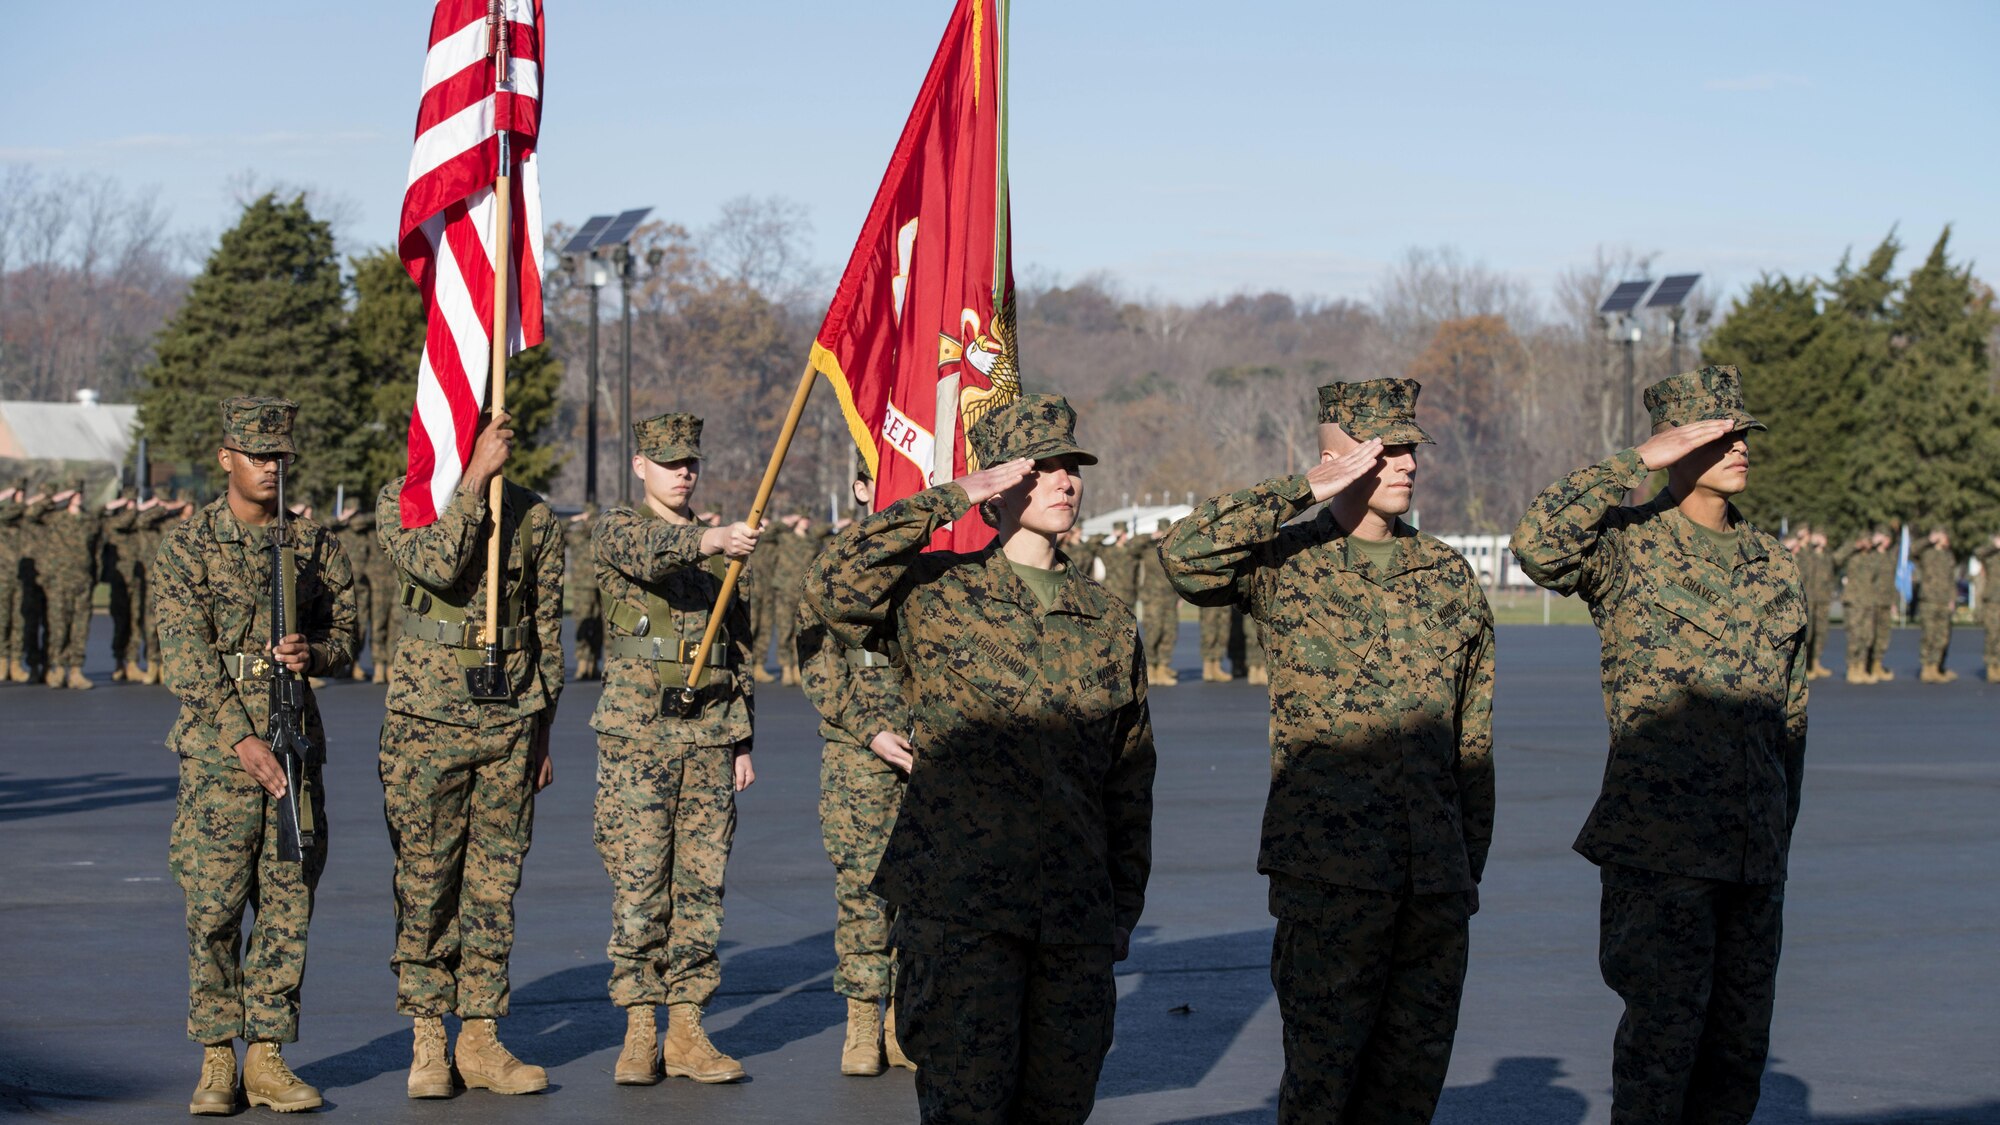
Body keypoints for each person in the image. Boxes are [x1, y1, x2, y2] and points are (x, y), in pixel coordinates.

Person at [806, 394, 1155, 1125]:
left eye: (1072, 467)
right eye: (1042, 468)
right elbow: (830, 587)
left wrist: (1124, 906)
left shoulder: (1108, 621)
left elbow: (1129, 775)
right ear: (999, 489)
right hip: (961, 912)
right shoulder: (936, 592)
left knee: (1059, 1105)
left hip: (1072, 916)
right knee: (967, 1108)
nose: (1065, 482)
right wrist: (950, 496)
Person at [1163, 378, 1495, 1124]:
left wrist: (1465, 864)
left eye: (1411, 448)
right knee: (1322, 1083)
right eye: (1384, 449)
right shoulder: (1287, 563)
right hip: (1330, 878)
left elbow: (1472, 738)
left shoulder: (1447, 575)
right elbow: (1184, 558)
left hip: (1433, 881)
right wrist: (1300, 489)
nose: (1407, 463)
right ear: (1334, 458)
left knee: (1409, 1088)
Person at [1511, 365, 1808, 1125]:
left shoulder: (1774, 563)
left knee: (1736, 1055)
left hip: (1753, 852)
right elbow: (1537, 544)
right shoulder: (1628, 546)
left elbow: (1791, 714)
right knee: (1661, 1054)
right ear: (1675, 447)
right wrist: (1632, 463)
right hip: (1663, 851)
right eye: (1718, 435)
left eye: (1743, 433)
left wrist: (1777, 829)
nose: (1740, 446)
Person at [154, 396, 357, 1115]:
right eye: (258, 455)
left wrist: (317, 651)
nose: (272, 467)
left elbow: (347, 632)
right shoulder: (188, 544)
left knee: (286, 900)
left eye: (281, 456)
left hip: (293, 740)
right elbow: (181, 652)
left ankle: (268, 1054)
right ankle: (217, 1055)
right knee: (212, 905)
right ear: (227, 459)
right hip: (219, 752)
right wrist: (238, 737)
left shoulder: (312, 544)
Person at [375, 408, 564, 1098]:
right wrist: (473, 480)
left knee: (493, 888)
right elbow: (436, 562)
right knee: (426, 883)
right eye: (478, 430)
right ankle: (428, 1035)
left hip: (510, 721)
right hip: (427, 722)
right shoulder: (406, 501)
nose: (493, 440)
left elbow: (546, 627)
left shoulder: (535, 516)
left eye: (497, 432)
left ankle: (480, 1034)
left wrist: (544, 727)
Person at [590, 413, 761, 1086]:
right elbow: (651, 552)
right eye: (666, 461)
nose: (681, 470)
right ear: (640, 467)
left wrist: (743, 736)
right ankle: (639, 1026)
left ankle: (687, 1027)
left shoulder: (722, 552)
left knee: (700, 889)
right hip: (640, 739)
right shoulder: (620, 528)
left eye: (689, 460)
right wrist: (712, 536)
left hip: (711, 736)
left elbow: (737, 646)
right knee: (639, 888)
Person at [798, 466, 916, 1076]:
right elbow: (817, 665)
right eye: (882, 478)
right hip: (858, 755)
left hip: (931, 753)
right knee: (865, 893)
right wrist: (869, 730)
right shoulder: (834, 565)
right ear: (863, 489)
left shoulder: (935, 564)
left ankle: (902, 1019)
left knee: (921, 898)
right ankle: (863, 1020)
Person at [26, 476, 101, 689]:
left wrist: (94, 577)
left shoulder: (88, 520)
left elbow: (95, 551)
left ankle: (76, 670)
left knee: (80, 627)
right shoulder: (54, 517)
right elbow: (31, 514)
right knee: (57, 625)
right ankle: (56, 668)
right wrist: (57, 498)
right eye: (73, 493)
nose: (77, 496)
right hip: (58, 580)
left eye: (79, 493)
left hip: (82, 580)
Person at [1138, 517, 1182, 685]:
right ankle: (1151, 669)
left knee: (1169, 632)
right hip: (1153, 598)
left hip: (1170, 597)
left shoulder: (1173, 549)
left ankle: (1163, 668)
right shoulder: (1148, 549)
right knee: (1153, 633)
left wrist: (1179, 596)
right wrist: (1150, 537)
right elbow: (1131, 545)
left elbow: (1177, 575)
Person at [1913, 526, 1958, 683]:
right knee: (1929, 636)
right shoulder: (1927, 553)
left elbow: (1951, 580)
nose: (1947, 539)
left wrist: (1952, 599)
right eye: (1944, 536)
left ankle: (1937, 667)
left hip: (1944, 601)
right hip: (1929, 600)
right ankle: (1927, 668)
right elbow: (1912, 551)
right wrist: (1928, 540)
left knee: (1943, 637)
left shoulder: (1949, 556)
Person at [565, 503, 603, 680]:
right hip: (583, 587)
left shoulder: (600, 537)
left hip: (600, 586)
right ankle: (583, 663)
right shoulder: (577, 536)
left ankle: (593, 663)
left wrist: (577, 519)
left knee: (599, 626)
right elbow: (556, 528)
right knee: (584, 624)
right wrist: (575, 519)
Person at [1793, 527, 1835, 680]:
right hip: (1807, 598)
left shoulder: (1826, 556)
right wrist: (1803, 541)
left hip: (1822, 599)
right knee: (1807, 634)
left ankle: (1816, 663)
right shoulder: (1804, 553)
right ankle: (1805, 666)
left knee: (1820, 633)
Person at [1977, 534, 2000, 682]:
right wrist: (1995, 546)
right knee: (1992, 633)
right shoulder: (1991, 555)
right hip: (1993, 599)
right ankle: (1992, 667)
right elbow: (1978, 552)